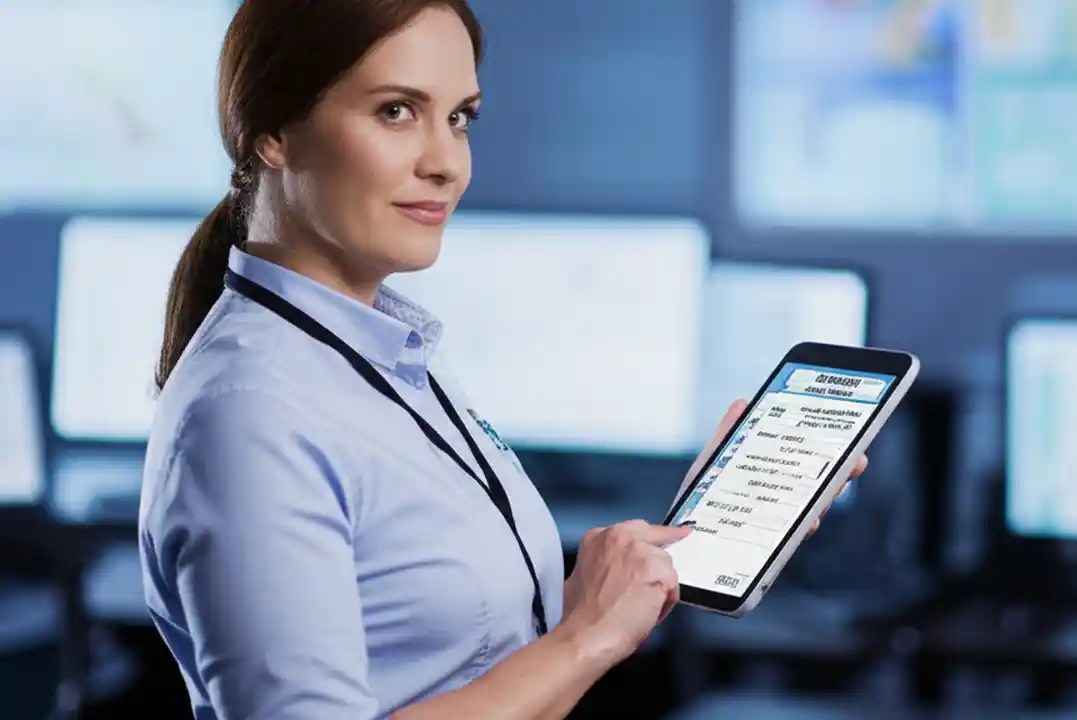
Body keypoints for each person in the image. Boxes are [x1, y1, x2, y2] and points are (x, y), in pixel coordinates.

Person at [139, 2, 868, 718]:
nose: (446, 163)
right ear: (271, 132)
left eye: (459, 118)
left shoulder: (386, 352)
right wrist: (585, 638)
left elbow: (487, 656)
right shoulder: (249, 413)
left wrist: (675, 555)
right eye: (396, 111)